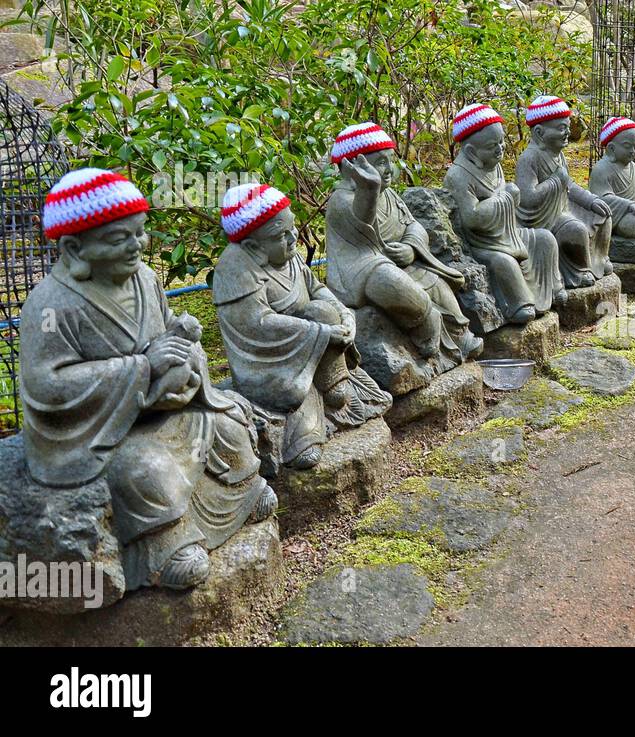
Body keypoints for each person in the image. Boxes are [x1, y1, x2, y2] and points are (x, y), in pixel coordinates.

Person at [21, 168, 275, 590]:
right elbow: (47, 384)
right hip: (104, 435)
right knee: (142, 470)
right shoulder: (50, 306)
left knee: (228, 425)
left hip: (163, 411)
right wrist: (140, 367)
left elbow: (164, 330)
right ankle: (169, 545)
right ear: (73, 247)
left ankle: (243, 493)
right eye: (120, 238)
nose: (137, 245)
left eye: (141, 233)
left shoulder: (146, 279)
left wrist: (181, 338)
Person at [213, 183, 391, 470]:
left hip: (316, 351)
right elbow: (258, 325)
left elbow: (316, 287)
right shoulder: (235, 269)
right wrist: (322, 333)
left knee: (321, 309)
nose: (293, 237)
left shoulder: (289, 253)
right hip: (274, 363)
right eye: (281, 235)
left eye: (292, 228)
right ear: (252, 246)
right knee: (304, 452)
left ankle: (337, 382)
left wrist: (342, 312)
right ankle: (313, 418)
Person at [325, 122, 481, 373]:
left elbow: (414, 226)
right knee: (392, 282)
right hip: (361, 269)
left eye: (390, 161)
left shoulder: (391, 196)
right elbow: (363, 221)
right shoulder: (342, 201)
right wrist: (369, 189)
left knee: (434, 281)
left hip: (399, 263)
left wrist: (410, 247)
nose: (387, 170)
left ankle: (458, 335)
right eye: (379, 163)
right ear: (350, 169)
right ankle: (426, 331)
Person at [443, 103, 564, 324]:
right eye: (493, 146)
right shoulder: (458, 176)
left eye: (501, 142)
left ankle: (553, 288)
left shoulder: (493, 164)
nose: (500, 149)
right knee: (504, 262)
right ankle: (520, 304)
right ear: (471, 152)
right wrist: (506, 198)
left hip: (510, 233)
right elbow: (472, 217)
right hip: (483, 243)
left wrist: (507, 196)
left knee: (545, 239)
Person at [515, 95, 614, 288]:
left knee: (602, 214)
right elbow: (527, 199)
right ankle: (579, 271)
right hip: (541, 220)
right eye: (561, 128)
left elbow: (569, 185)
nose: (568, 132)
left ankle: (598, 261)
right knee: (575, 230)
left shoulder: (558, 155)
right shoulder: (529, 159)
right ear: (539, 132)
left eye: (568, 127)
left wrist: (590, 201)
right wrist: (554, 180)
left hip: (562, 209)